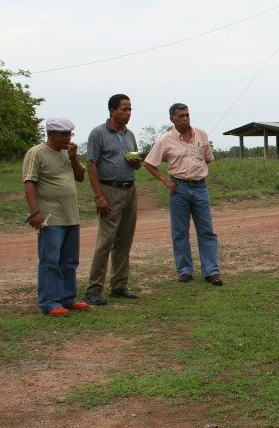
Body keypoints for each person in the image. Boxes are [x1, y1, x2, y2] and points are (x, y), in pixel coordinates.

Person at [144, 103, 223, 286]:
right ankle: (185, 271)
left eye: (187, 115)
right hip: (178, 188)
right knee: (180, 232)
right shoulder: (166, 139)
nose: (185, 118)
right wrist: (166, 181)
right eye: (181, 116)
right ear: (172, 119)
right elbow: (149, 163)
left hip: (200, 187)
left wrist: (196, 173)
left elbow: (208, 158)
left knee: (207, 231)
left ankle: (211, 271)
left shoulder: (201, 135)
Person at [22, 118, 89, 316]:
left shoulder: (68, 153)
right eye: (64, 135)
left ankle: (68, 298)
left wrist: (74, 158)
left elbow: (80, 177)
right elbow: (29, 182)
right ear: (51, 135)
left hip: (71, 215)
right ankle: (49, 301)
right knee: (50, 260)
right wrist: (35, 212)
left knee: (69, 260)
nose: (68, 139)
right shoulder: (36, 153)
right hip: (50, 217)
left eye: (70, 134)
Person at [84, 94, 141, 305]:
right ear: (112, 110)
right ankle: (94, 289)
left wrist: (136, 164)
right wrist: (99, 196)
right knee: (106, 241)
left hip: (129, 189)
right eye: (124, 109)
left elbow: (132, 160)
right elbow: (92, 164)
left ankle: (119, 285)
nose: (128, 113)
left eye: (130, 109)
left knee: (124, 239)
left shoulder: (129, 134)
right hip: (109, 190)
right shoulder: (98, 133)